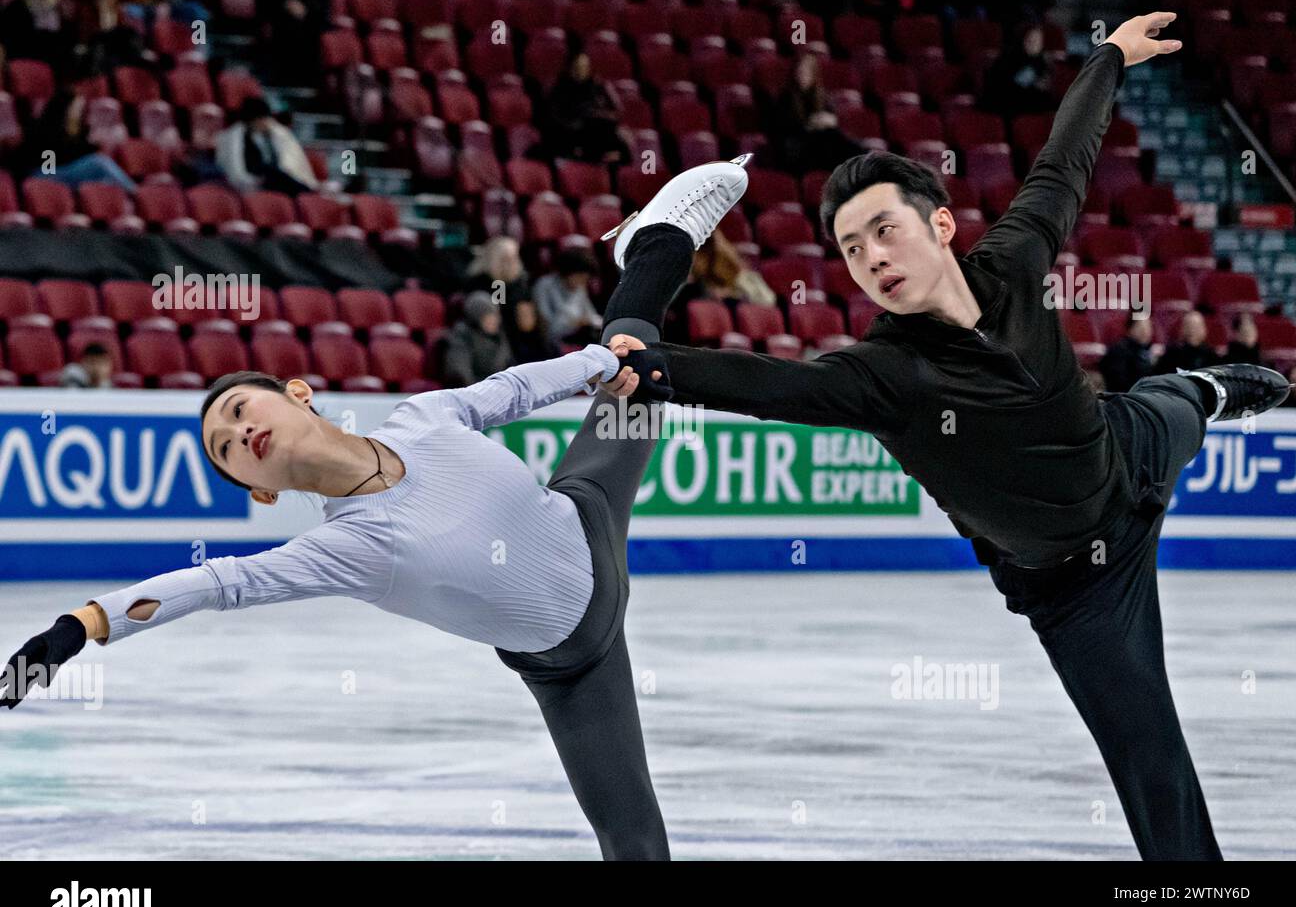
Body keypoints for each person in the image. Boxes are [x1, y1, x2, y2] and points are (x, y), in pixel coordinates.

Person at [607, 15, 1294, 860]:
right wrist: (649, 351)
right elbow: (767, 384)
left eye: (884, 230)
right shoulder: (883, 376)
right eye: (851, 250)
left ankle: (1209, 386)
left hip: (1126, 445)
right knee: (1152, 760)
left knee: (1174, 402)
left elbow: (1065, 162)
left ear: (938, 226)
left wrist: (1110, 56)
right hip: (1079, 587)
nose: (870, 258)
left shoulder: (1011, 260)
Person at [1, 160, 753, 862]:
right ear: (259, 490)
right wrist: (76, 629)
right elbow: (215, 584)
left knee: (636, 356)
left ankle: (656, 237)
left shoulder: (420, 417)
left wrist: (598, 366)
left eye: (236, 409)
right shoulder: (341, 550)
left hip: (585, 512)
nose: (238, 431)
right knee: (636, 845)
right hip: (575, 667)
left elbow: (517, 390)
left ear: (293, 392)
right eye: (226, 448)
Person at [17, 86, 138, 191]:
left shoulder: (74, 129)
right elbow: (49, 164)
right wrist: (88, 149)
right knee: (99, 163)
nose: (78, 112)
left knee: (103, 181)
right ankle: (135, 192)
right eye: (76, 107)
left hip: (59, 171)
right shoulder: (46, 128)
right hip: (44, 174)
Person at [770, 53, 865, 173]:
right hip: (797, 150)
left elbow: (830, 121)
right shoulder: (784, 99)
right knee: (829, 136)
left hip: (819, 146)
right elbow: (783, 132)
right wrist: (811, 125)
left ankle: (861, 159)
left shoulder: (821, 97)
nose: (802, 76)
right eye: (800, 72)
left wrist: (830, 121)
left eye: (807, 72)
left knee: (833, 134)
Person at [215, 97, 320, 196]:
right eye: (263, 119)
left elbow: (288, 163)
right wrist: (252, 180)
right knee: (272, 173)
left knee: (277, 174)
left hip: (272, 179)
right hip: (253, 180)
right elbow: (235, 169)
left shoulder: (273, 134)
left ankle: (306, 192)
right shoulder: (234, 137)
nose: (267, 122)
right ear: (254, 120)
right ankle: (307, 192)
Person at [543, 52, 628, 165]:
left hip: (597, 132)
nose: (580, 71)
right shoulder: (559, 89)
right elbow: (557, 118)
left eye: (584, 67)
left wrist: (598, 115)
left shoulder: (597, 86)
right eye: (577, 67)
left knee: (623, 138)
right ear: (568, 68)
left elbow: (616, 113)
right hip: (571, 134)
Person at [980, 21, 1057, 117]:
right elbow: (1011, 86)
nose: (1034, 44)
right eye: (1030, 40)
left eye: (1038, 40)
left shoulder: (1041, 61)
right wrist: (1035, 85)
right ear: (1022, 40)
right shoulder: (1008, 58)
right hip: (1006, 102)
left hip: (1029, 101)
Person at [532, 247, 603, 344]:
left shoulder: (580, 288)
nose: (582, 283)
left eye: (585, 280)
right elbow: (546, 327)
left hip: (580, 338)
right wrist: (575, 324)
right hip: (556, 343)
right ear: (568, 273)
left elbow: (591, 316)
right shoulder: (544, 286)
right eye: (580, 278)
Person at [443, 291, 514, 386]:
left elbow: (509, 365)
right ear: (477, 317)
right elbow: (460, 372)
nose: (495, 321)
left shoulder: (500, 336)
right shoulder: (462, 335)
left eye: (495, 316)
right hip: (473, 390)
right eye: (488, 317)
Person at [463, 236, 531, 320]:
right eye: (505, 259)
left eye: (514, 258)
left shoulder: (520, 280)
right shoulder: (480, 281)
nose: (511, 263)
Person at [1098, 315, 1155, 392]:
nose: (1146, 332)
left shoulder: (1149, 351)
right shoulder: (1119, 351)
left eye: (1148, 327)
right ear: (1130, 329)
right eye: (1141, 327)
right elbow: (1119, 383)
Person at [1156, 310, 1221, 373]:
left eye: (1195, 327)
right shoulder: (1172, 354)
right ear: (1182, 329)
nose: (1191, 330)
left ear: (1203, 329)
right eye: (1188, 326)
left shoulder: (1211, 356)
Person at [505, 299, 561, 365]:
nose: (524, 318)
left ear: (535, 315)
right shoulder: (509, 342)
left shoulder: (547, 341)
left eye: (527, 314)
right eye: (520, 314)